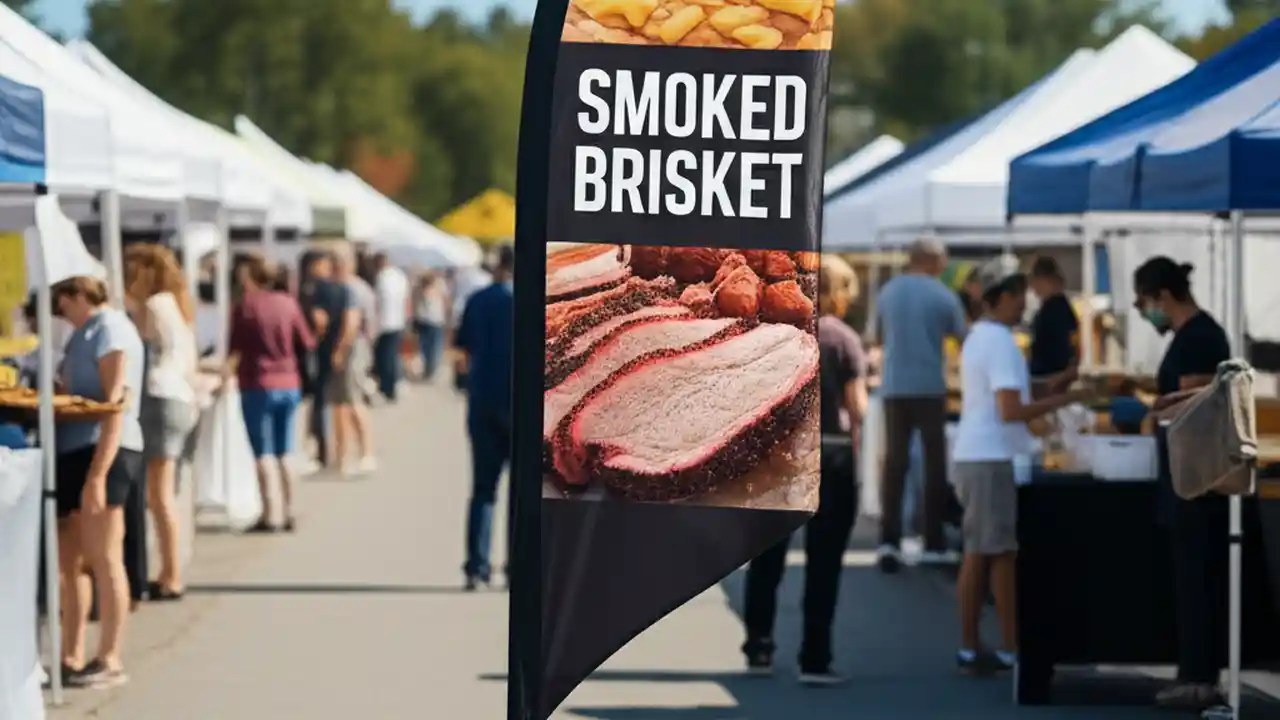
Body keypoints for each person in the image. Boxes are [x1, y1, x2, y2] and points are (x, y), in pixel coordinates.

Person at [951, 256, 1087, 675]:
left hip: (980, 454)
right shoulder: (1001, 342)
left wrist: (1055, 384)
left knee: (987, 552)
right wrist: (1065, 398)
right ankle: (998, 645)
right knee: (992, 554)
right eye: (1021, 296)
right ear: (1006, 295)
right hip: (991, 456)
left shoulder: (982, 337)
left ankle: (983, 645)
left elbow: (1013, 395)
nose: (1025, 304)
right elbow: (1012, 410)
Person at [742, 254, 867, 686]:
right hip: (831, 455)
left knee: (767, 555)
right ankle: (814, 657)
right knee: (824, 560)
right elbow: (858, 409)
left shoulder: (782, 330)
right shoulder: (843, 340)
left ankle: (759, 644)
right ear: (839, 291)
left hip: (781, 456)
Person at [1138, 257, 1231, 710]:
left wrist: (1153, 412)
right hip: (1184, 475)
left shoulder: (1200, 338)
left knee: (1199, 579)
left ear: (1163, 297)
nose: (1145, 313)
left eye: (1144, 303)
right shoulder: (1191, 336)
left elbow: (1192, 401)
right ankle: (1193, 672)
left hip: (1196, 478)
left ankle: (1200, 677)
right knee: (1190, 578)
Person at [52, 276, 146, 689]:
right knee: (70, 559)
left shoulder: (110, 328)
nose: (60, 311)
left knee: (104, 555)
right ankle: (70, 652)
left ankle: (109, 655)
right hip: (75, 446)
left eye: (62, 302)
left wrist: (98, 474)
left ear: (76, 296)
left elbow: (115, 405)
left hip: (103, 449)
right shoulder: (80, 335)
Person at [874, 237, 968, 571]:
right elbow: (963, 337)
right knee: (934, 464)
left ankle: (889, 540)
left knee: (895, 464)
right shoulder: (944, 296)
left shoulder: (887, 293)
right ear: (930, 260)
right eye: (942, 258)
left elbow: (878, 337)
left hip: (895, 386)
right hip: (930, 387)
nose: (945, 264)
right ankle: (933, 540)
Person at [123, 245, 199, 601]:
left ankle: (171, 573)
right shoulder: (177, 305)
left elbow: (139, 348)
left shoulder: (153, 307)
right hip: (180, 396)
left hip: (160, 396)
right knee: (166, 491)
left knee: (160, 493)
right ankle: (171, 569)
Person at [228, 254, 315, 532]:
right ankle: (289, 511)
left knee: (262, 452)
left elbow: (235, 348)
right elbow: (307, 341)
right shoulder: (288, 303)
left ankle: (270, 513)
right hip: (289, 381)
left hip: (257, 382)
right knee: (285, 451)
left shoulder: (246, 306)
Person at [456, 247, 514, 590]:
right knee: (520, 494)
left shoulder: (477, 300)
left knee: (482, 489)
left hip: (483, 400)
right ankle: (514, 566)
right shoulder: (530, 300)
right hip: (520, 402)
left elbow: (463, 348)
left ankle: (476, 566)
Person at [332, 251, 376, 474]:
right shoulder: (359, 287)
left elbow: (351, 324)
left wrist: (339, 351)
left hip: (353, 349)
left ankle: (365, 452)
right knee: (345, 402)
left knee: (353, 399)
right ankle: (345, 454)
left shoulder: (352, 289)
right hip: (358, 347)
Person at [1027, 256, 1080, 396]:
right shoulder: (1056, 308)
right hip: (1048, 378)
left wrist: (1061, 377)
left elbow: (1067, 348)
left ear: (1045, 280)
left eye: (1034, 281)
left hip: (1051, 379)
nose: (1033, 287)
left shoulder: (1056, 310)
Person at [372, 253, 409, 401]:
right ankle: (392, 385)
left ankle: (387, 386)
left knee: (384, 356)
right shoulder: (400, 276)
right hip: (398, 321)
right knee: (392, 355)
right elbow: (407, 299)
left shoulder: (382, 277)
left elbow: (377, 301)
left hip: (383, 323)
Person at [413, 273, 449, 381]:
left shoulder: (436, 289)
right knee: (430, 348)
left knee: (430, 347)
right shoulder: (423, 290)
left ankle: (430, 370)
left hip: (430, 321)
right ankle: (429, 370)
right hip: (430, 321)